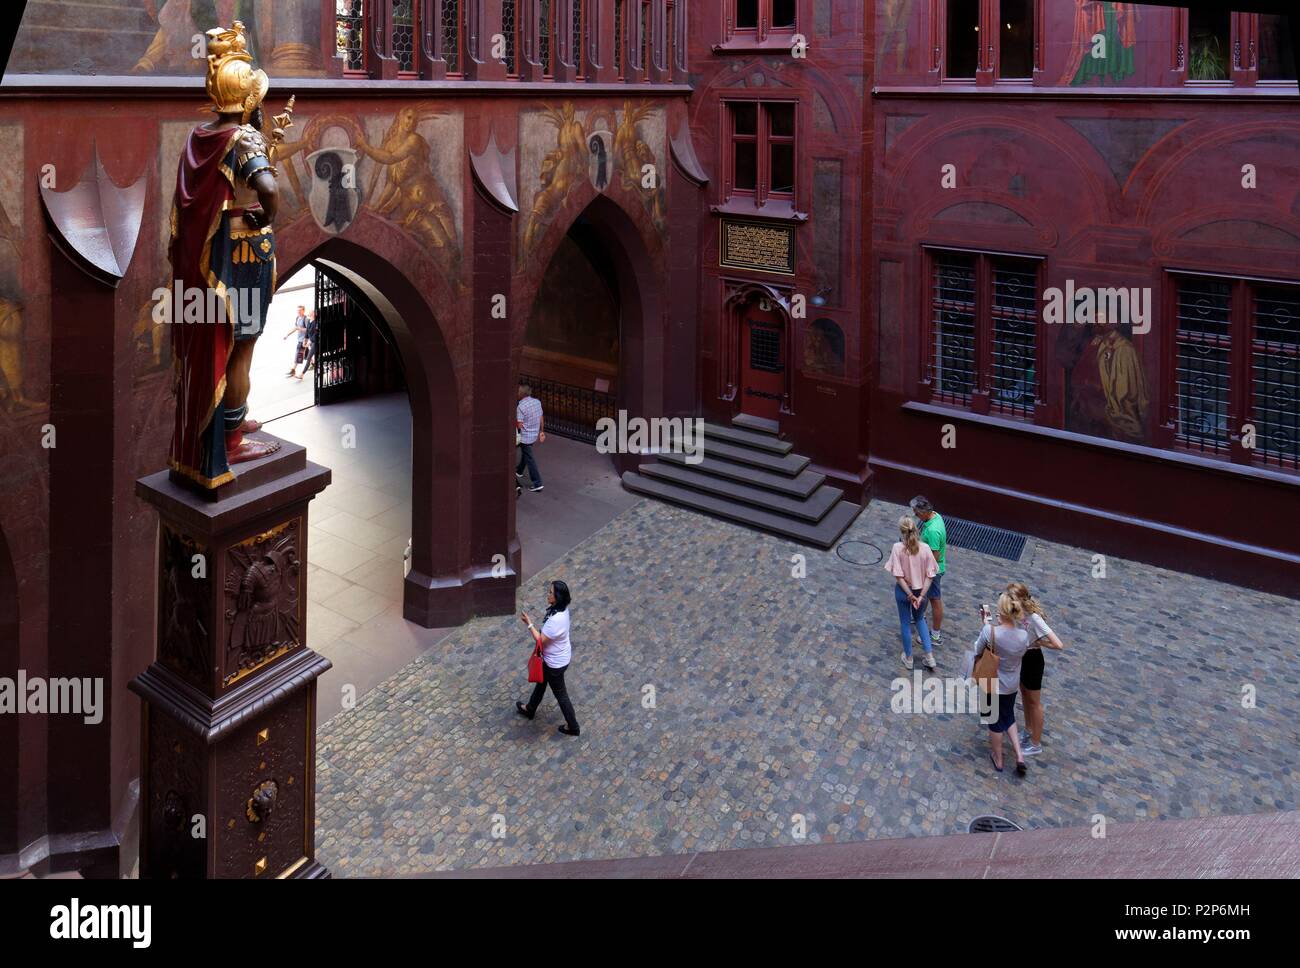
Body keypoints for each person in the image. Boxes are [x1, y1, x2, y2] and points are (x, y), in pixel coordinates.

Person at [972, 593, 1032, 776]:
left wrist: (986, 627)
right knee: (1009, 716)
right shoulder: (1023, 635)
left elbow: (977, 649)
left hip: (991, 683)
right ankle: (1019, 755)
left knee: (994, 722)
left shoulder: (990, 632)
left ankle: (998, 759)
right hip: (1011, 684)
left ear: (1002, 612)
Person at [1006, 582, 1066, 756]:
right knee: (1024, 695)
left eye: (1010, 598)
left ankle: (1035, 743)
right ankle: (1028, 730)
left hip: (1033, 660)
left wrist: (1040, 642)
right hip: (1022, 657)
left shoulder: (1034, 618)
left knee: (1035, 702)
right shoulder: (1016, 612)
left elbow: (1058, 644)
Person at [515, 580, 580, 736]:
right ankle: (530, 709)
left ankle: (573, 726)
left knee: (561, 694)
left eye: (551, 592)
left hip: (555, 664)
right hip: (558, 657)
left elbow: (540, 640)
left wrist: (529, 624)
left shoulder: (555, 621)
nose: (548, 594)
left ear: (557, 597)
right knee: (541, 682)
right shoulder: (562, 610)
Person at [884, 516, 938, 671]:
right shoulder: (926, 548)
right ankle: (929, 656)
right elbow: (931, 575)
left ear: (902, 532)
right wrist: (920, 596)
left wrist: (909, 594)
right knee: (920, 619)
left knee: (905, 623)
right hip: (921, 591)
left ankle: (908, 658)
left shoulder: (897, 548)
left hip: (903, 592)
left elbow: (898, 576)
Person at [909, 496, 947, 647]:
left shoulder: (932, 531)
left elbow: (934, 556)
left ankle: (935, 635)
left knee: (935, 600)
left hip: (933, 571)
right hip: (932, 569)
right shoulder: (935, 516)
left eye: (916, 513)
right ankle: (919, 615)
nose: (915, 516)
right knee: (924, 594)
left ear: (924, 512)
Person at [515, 384, 546, 492]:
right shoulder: (537, 402)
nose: (517, 393)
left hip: (525, 436)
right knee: (526, 453)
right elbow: (541, 417)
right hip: (534, 434)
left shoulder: (521, 407)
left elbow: (519, 425)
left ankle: (537, 483)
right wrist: (541, 431)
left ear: (521, 394)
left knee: (530, 459)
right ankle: (519, 470)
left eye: (518, 391)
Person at [284, 305, 307, 376]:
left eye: (300, 310)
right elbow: (295, 327)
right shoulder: (297, 318)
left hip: (303, 340)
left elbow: (308, 329)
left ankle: (293, 370)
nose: (298, 312)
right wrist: (287, 334)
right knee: (306, 353)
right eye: (298, 311)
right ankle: (313, 363)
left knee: (298, 354)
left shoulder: (306, 319)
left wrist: (299, 328)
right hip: (300, 339)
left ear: (303, 311)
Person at [296, 309, 317, 380]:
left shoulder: (316, 322)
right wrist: (305, 340)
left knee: (308, 357)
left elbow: (316, 334)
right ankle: (316, 366)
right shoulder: (309, 321)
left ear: (314, 314)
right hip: (311, 342)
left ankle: (302, 374)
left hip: (315, 342)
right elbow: (307, 332)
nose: (310, 312)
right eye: (310, 311)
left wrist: (310, 341)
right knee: (314, 356)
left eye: (311, 311)